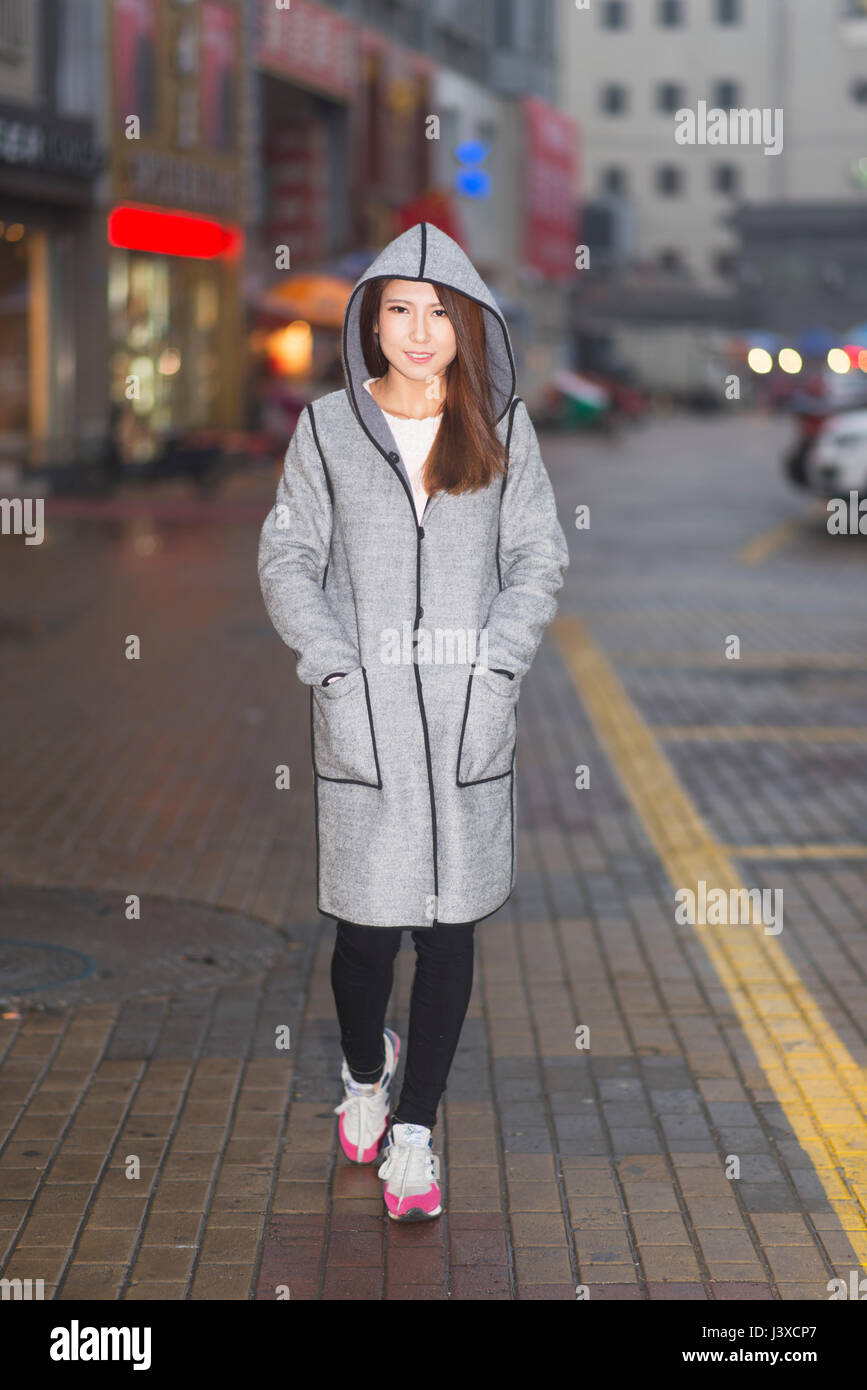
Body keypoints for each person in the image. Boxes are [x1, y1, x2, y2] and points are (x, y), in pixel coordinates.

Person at [258, 222, 569, 1221]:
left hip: (468, 721)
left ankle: (416, 1136)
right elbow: (286, 560)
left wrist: (500, 661)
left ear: (467, 324)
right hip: (370, 726)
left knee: (449, 930)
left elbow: (537, 560)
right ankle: (362, 1071)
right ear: (371, 320)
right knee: (365, 938)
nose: (420, 330)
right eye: (399, 309)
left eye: (440, 313)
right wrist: (334, 665)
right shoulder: (327, 430)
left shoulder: (503, 427)